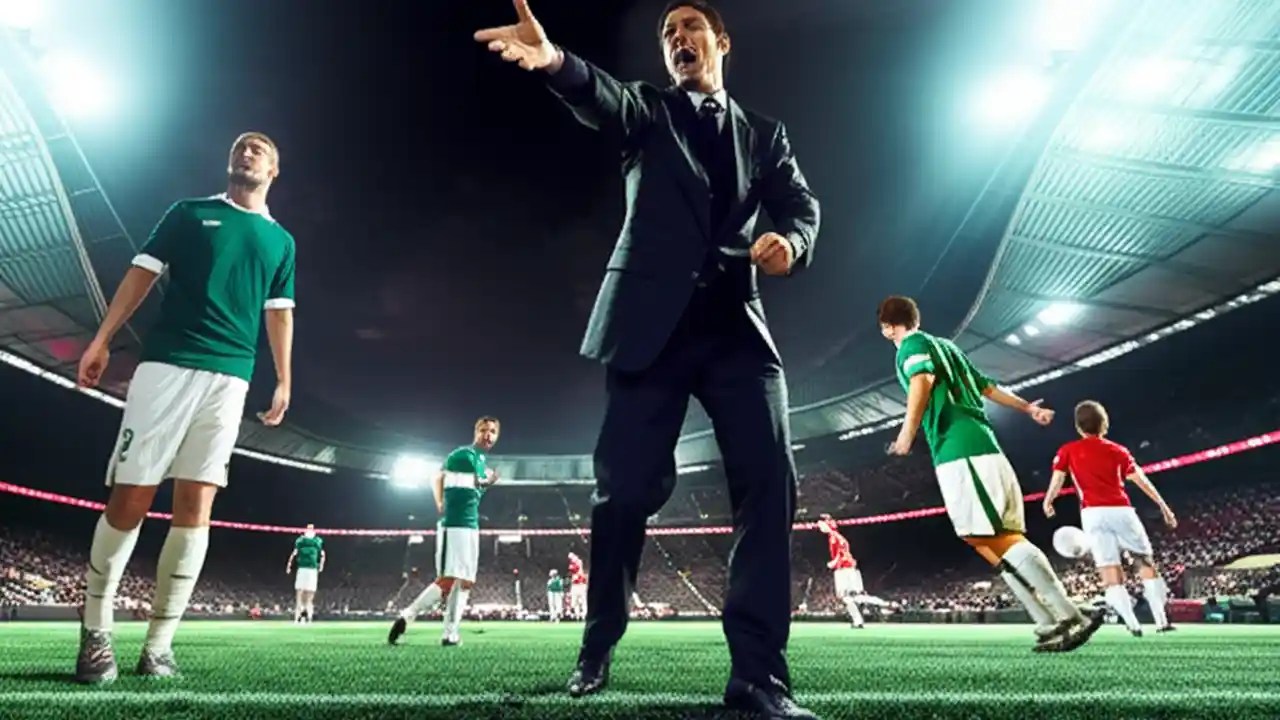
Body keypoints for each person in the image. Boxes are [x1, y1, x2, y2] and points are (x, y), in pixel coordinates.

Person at [474, 2, 821, 715]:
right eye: (667, 36)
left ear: (720, 42)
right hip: (649, 329)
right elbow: (601, 95)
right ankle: (597, 646)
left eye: (690, 28)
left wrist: (791, 242)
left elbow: (800, 205)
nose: (678, 41)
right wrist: (554, 63)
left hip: (735, 328)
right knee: (624, 492)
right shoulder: (648, 112)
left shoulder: (765, 134)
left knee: (769, 483)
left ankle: (758, 677)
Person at [73, 132, 296, 683]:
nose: (245, 151)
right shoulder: (189, 214)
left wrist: (284, 380)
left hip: (230, 380)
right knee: (133, 495)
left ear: (274, 170)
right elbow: (140, 275)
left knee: (196, 506)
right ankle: (96, 634)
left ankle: (159, 647)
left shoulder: (281, 242)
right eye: (240, 146)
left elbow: (279, 313)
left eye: (258, 149)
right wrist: (102, 338)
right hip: (166, 366)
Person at [879, 296, 1103, 652]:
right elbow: (986, 385)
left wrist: (906, 436)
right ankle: (1045, 619)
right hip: (975, 446)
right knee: (977, 536)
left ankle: (1068, 614)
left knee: (1001, 537)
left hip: (962, 450)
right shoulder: (948, 347)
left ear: (888, 326)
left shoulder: (912, 345)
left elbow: (921, 380)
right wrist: (1027, 407)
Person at [1043, 400, 1178, 635]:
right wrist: (1164, 506)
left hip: (1092, 514)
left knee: (1109, 569)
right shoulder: (1118, 450)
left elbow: (1057, 480)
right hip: (1121, 510)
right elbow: (1141, 480)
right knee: (1144, 562)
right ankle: (1162, 621)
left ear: (1078, 426)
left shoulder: (1068, 450)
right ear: (1104, 423)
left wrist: (1048, 500)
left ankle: (1133, 625)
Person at [389, 417, 501, 647]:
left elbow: (473, 485)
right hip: (455, 524)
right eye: (483, 430)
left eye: (492, 432)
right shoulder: (464, 456)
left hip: (470, 525)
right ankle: (407, 615)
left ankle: (450, 633)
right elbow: (437, 476)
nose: (488, 435)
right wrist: (441, 502)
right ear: (475, 432)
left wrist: (487, 480)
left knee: (466, 580)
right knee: (448, 580)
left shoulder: (480, 460)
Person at [815, 515, 864, 629]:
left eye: (821, 525)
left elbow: (841, 552)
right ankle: (858, 619)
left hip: (843, 569)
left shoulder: (833, 537)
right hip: (849, 567)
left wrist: (834, 562)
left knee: (844, 596)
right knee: (852, 596)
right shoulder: (838, 536)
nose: (820, 527)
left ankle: (859, 619)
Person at [287, 523, 326, 623]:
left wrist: (321, 565)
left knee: (309, 595)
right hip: (302, 568)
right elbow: (294, 553)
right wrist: (289, 565)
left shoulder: (317, 541)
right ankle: (298, 616)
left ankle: (308, 616)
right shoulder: (300, 541)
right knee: (299, 593)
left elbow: (322, 554)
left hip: (312, 569)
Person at [567, 551, 588, 621]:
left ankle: (584, 614)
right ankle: (577, 615)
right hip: (575, 585)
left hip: (581, 585)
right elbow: (572, 569)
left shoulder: (579, 563)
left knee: (583, 601)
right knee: (575, 601)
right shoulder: (572, 565)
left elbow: (578, 568)